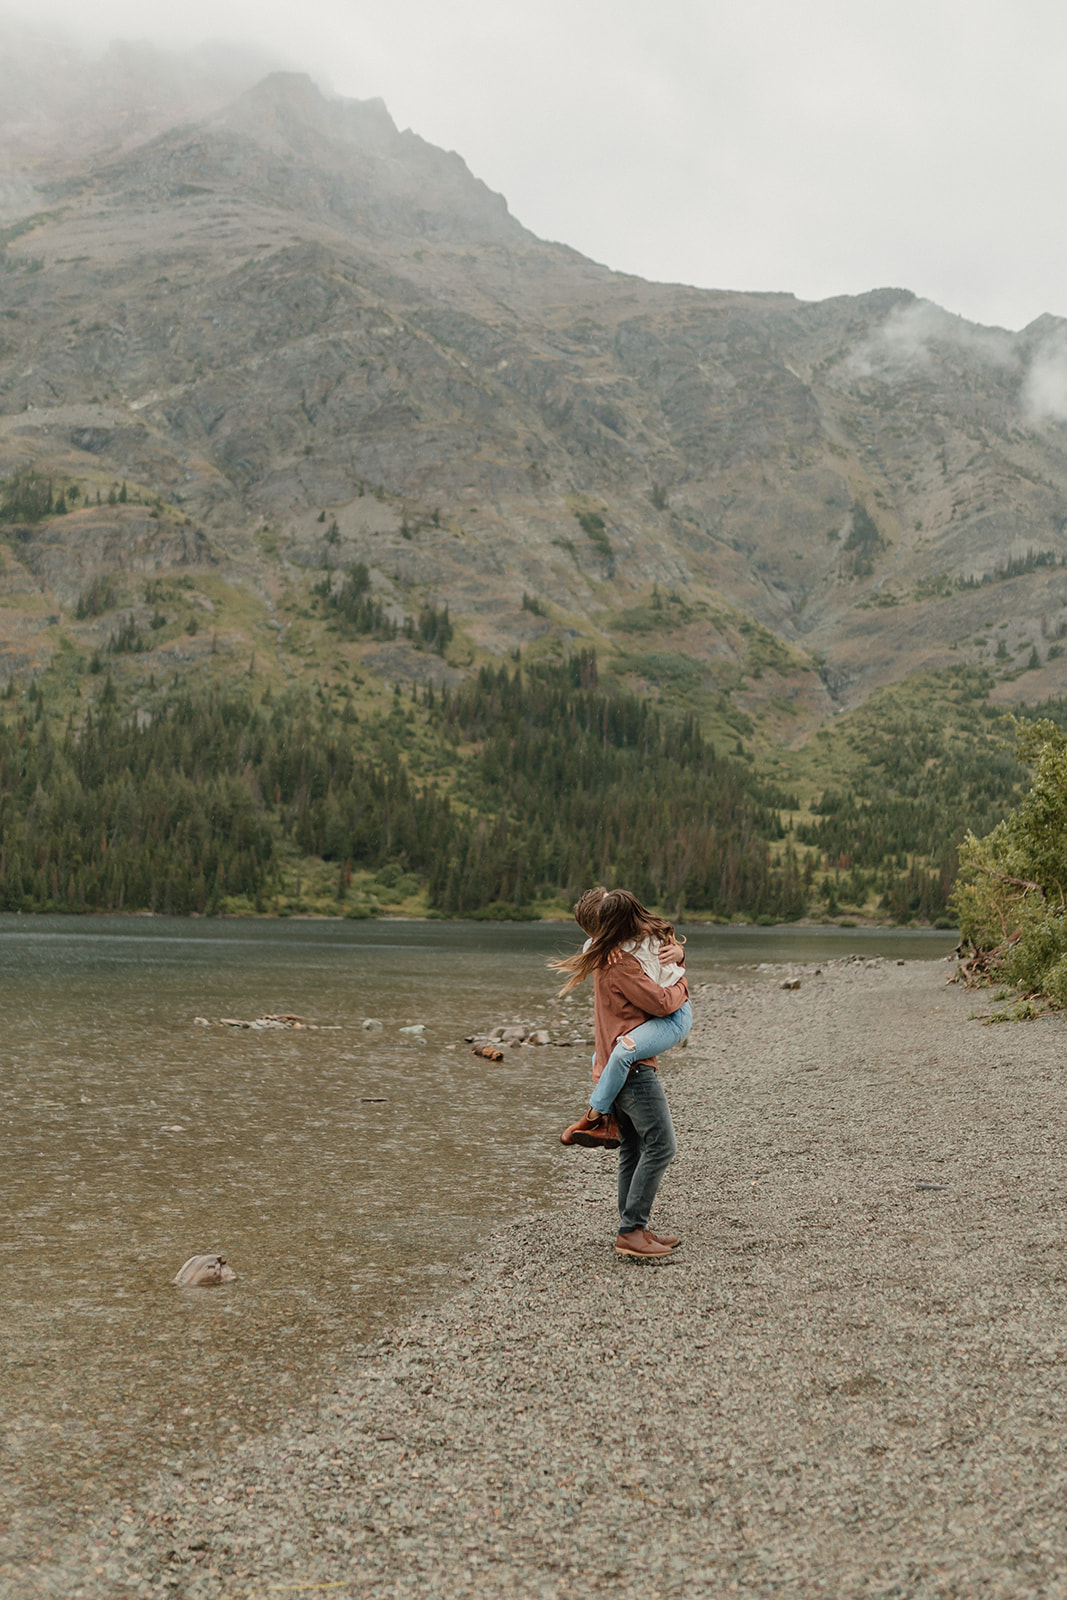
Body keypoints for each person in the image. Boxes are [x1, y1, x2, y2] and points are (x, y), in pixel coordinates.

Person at [552, 887, 690, 1261]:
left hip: (612, 1061)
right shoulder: (621, 963)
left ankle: (635, 1226)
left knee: (633, 1146)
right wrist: (683, 981)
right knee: (662, 1145)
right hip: (632, 1069)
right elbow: (661, 1003)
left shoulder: (602, 954)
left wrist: (678, 953)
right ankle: (630, 1231)